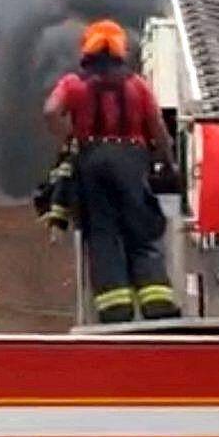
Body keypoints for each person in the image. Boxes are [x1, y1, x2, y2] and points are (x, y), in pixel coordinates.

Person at [43, 20, 181, 324]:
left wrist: (70, 136)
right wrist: (169, 164)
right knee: (142, 232)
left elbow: (51, 111)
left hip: (91, 161)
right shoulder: (137, 86)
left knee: (104, 235)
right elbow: (158, 129)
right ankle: (157, 302)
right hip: (132, 162)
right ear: (120, 50)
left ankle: (114, 307)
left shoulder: (73, 84)